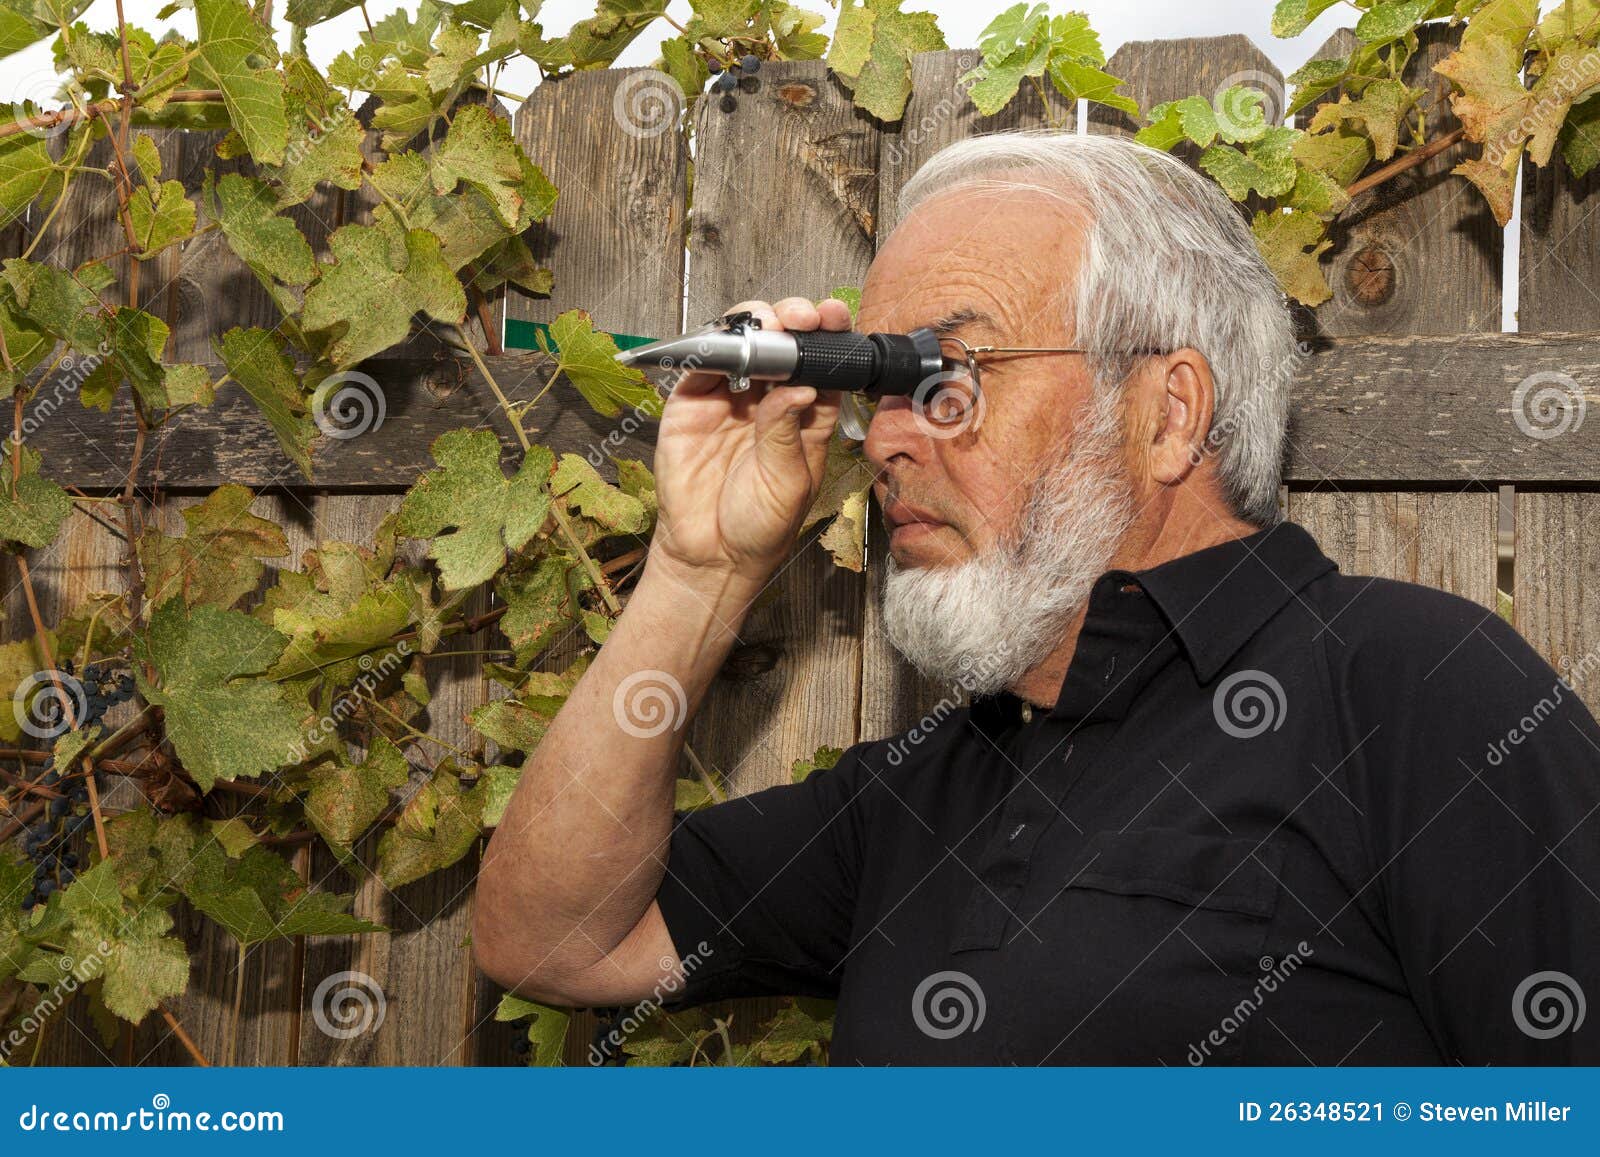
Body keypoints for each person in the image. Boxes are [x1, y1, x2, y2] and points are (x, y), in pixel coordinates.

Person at [474, 131, 1600, 1064]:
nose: (892, 439)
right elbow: (555, 941)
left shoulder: (1413, 690)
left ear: (1167, 412)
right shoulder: (931, 788)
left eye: (949, 376)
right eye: (880, 386)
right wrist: (699, 568)